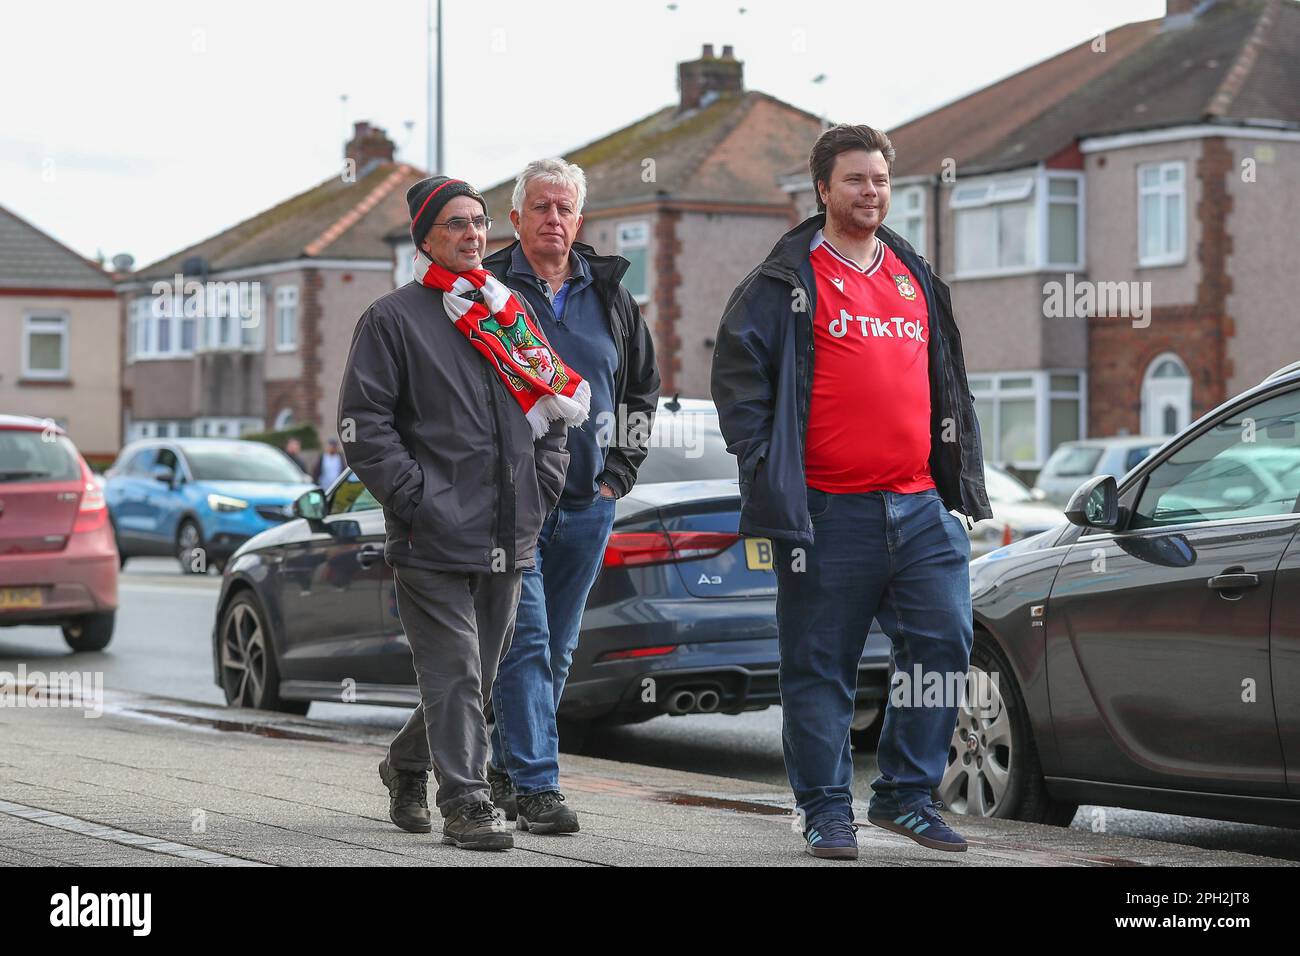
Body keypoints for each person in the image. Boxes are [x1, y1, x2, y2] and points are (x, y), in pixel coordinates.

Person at [710, 124, 992, 860]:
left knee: (943, 645)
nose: (871, 192)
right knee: (819, 667)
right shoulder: (786, 279)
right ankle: (826, 810)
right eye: (856, 181)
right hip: (827, 512)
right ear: (824, 190)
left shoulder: (912, 272)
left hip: (919, 504)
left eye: (880, 180)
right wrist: (768, 467)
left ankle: (904, 795)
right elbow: (738, 381)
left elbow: (946, 382)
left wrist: (955, 472)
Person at [338, 175, 586, 851]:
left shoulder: (507, 312)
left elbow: (553, 409)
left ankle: (405, 764)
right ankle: (467, 802)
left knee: (474, 676)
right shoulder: (392, 319)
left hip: (512, 532)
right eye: (456, 224)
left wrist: (542, 486)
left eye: (479, 222)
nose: (474, 234)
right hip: (432, 537)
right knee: (456, 671)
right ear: (426, 236)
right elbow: (363, 425)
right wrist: (418, 500)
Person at [480, 158, 659, 834]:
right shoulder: (485, 289)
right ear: (517, 217)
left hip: (588, 502)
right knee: (523, 644)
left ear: (578, 222)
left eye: (565, 210)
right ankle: (538, 788)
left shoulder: (609, 295)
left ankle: (505, 767)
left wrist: (621, 474)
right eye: (542, 208)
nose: (553, 220)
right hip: (511, 505)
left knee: (555, 649)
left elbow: (642, 390)